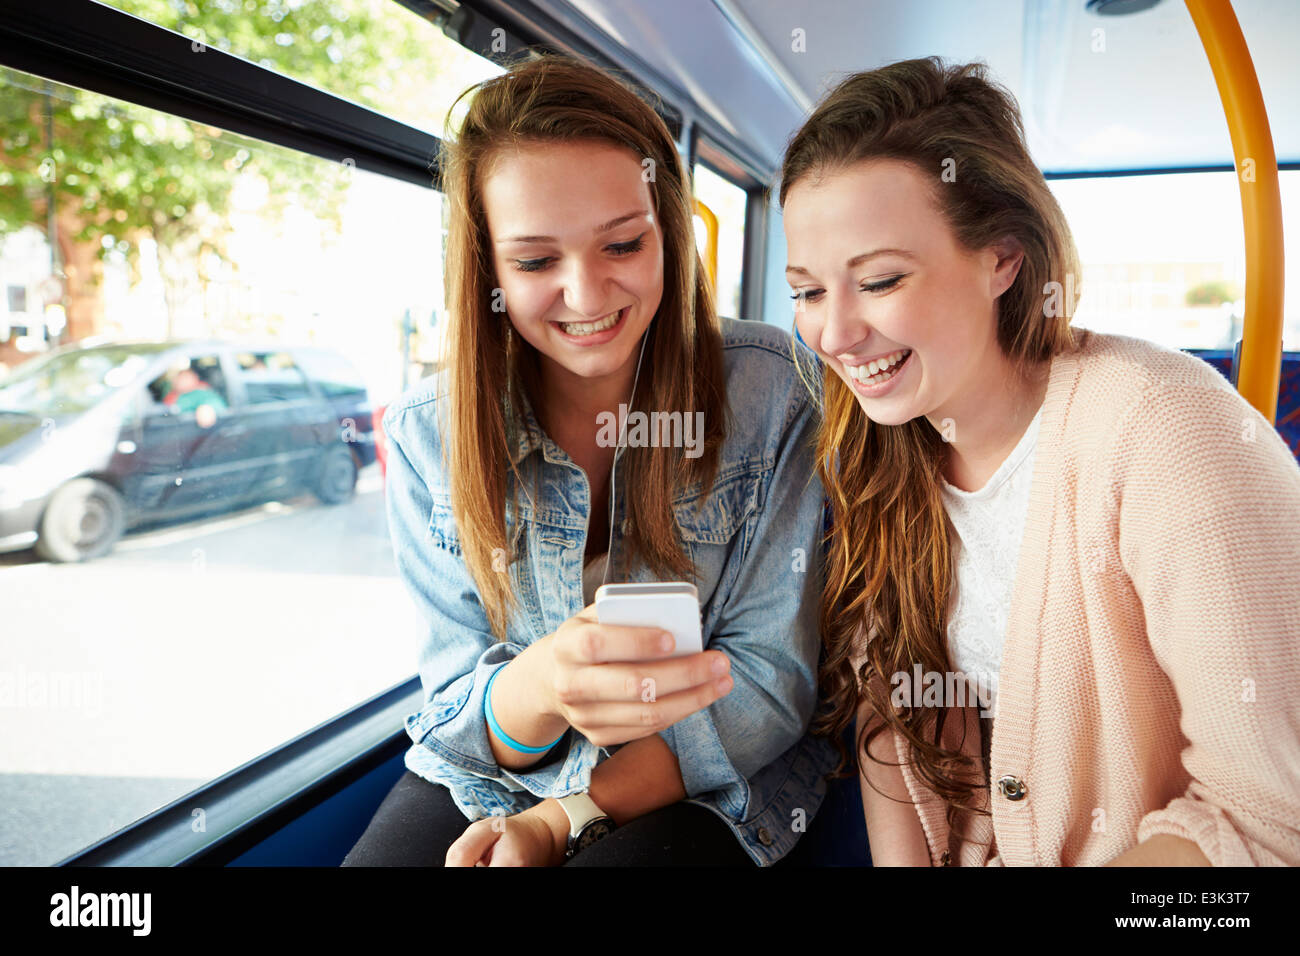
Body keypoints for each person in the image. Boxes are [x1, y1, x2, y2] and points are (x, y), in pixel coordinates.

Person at [780, 57, 1300, 866]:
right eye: (808, 291)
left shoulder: (1167, 436)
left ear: (1003, 260)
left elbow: (1273, 820)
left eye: (879, 280)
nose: (835, 334)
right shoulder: (880, 450)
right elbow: (893, 715)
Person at [343, 55, 837, 867]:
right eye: (536, 262)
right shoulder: (425, 433)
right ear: (488, 269)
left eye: (622, 244)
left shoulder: (774, 389)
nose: (587, 294)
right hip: (495, 773)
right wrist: (544, 683)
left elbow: (769, 682)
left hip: (709, 776)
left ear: (668, 231)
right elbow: (454, 703)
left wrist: (565, 818)